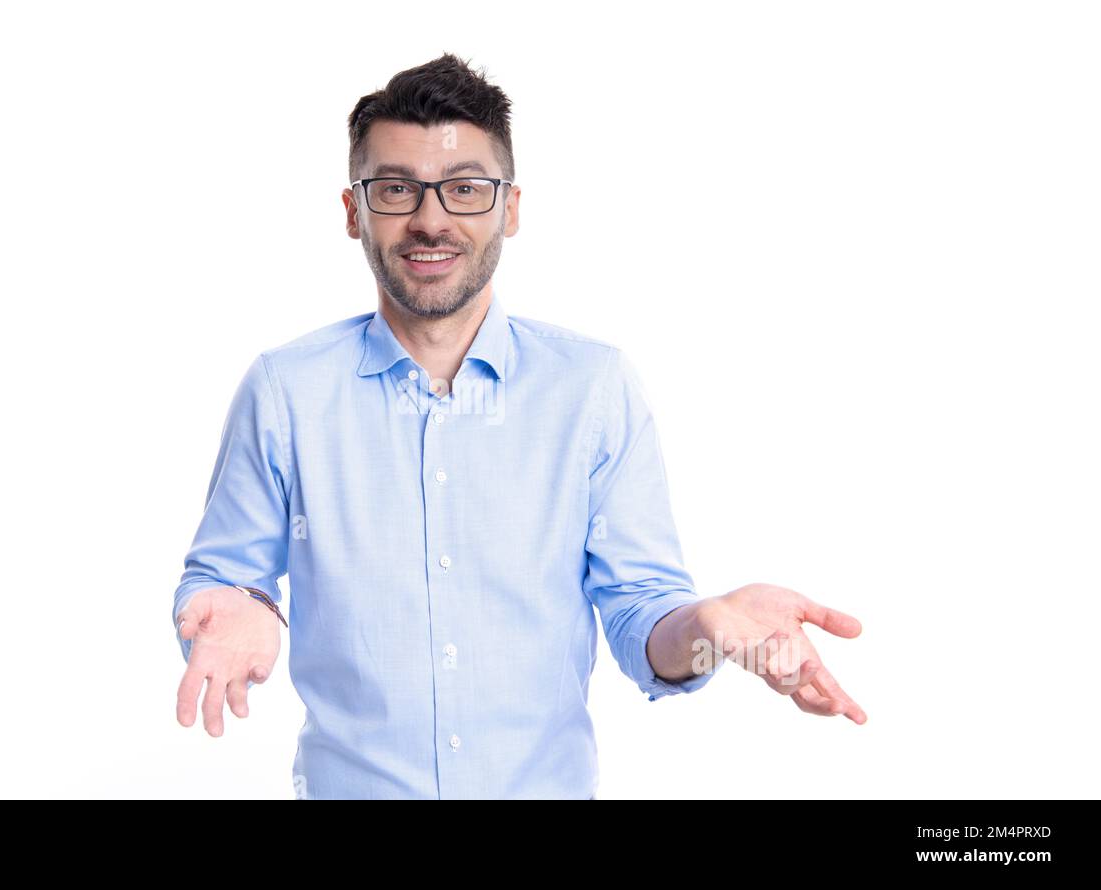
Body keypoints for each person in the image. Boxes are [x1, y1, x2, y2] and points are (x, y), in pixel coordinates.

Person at [171, 52, 867, 800]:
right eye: (397, 189)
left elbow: (644, 623)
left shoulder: (592, 388)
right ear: (353, 211)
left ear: (509, 207)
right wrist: (238, 607)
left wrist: (708, 630)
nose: (431, 218)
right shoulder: (285, 391)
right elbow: (224, 579)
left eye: (465, 189)